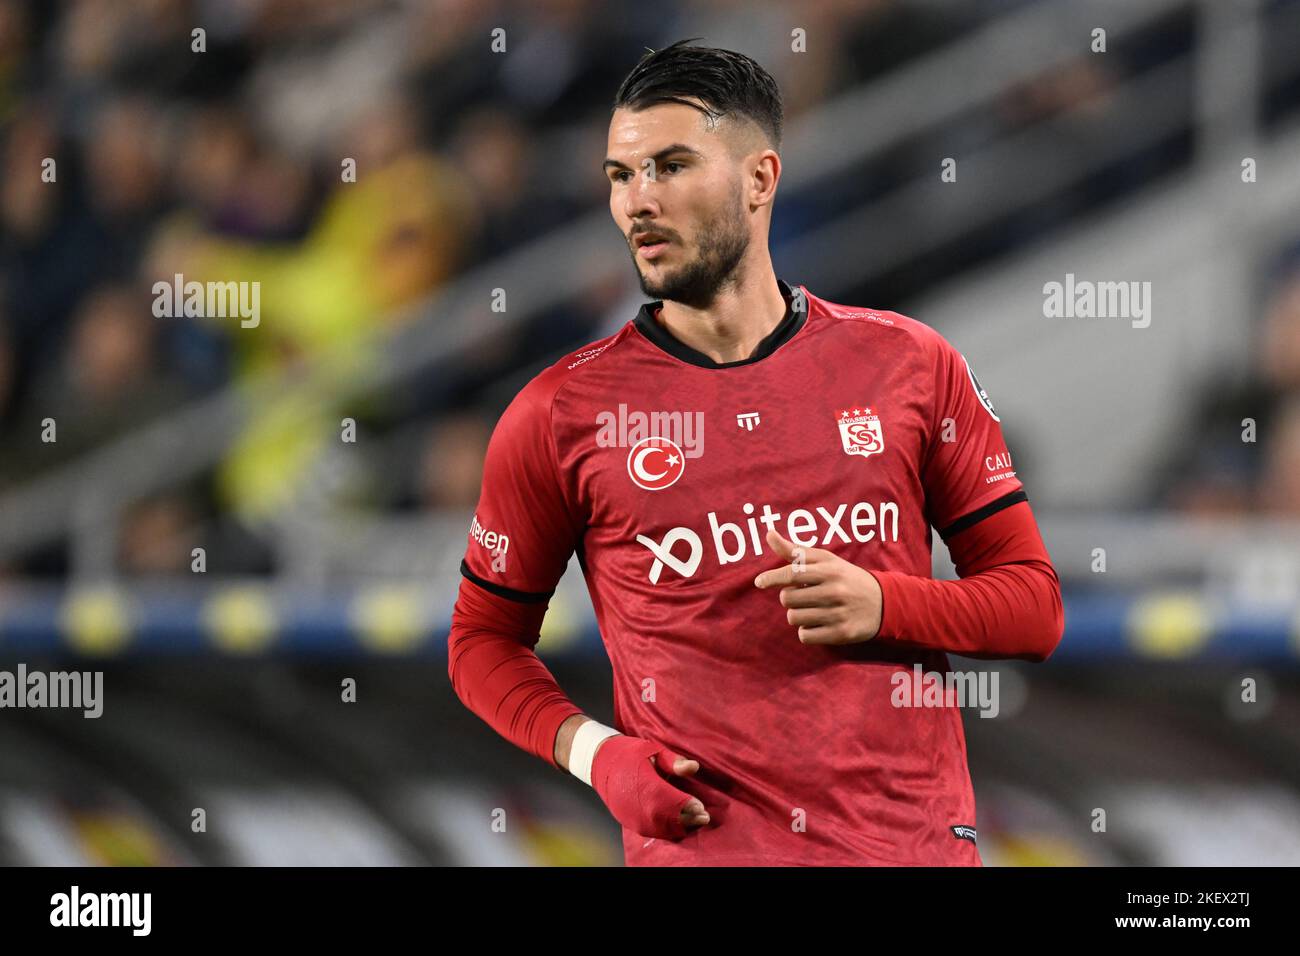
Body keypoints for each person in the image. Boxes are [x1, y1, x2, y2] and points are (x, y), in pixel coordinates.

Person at [447, 39, 1063, 866]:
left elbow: (1033, 606)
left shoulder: (910, 364)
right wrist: (595, 754)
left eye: (670, 167)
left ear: (760, 178)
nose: (639, 203)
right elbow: (481, 642)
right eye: (621, 177)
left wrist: (887, 605)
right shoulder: (559, 414)